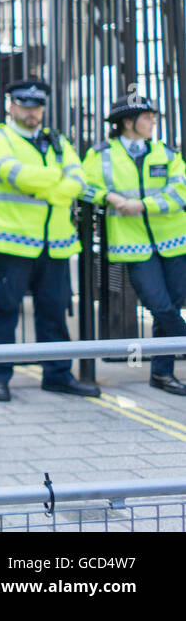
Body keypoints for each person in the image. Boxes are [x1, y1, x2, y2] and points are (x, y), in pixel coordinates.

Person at [0, 77, 100, 402]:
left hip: (54, 243)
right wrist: (54, 179)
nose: (32, 112)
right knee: (4, 312)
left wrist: (49, 184)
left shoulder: (57, 141)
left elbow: (79, 180)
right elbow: (16, 175)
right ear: (11, 105)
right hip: (11, 241)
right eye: (25, 105)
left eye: (38, 106)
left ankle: (58, 375)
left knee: (54, 312)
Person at [81, 92, 186, 396]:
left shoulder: (166, 153)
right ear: (128, 122)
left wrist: (143, 205)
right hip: (133, 245)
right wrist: (110, 197)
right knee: (161, 306)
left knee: (170, 308)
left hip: (174, 241)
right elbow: (83, 185)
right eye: (147, 116)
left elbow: (181, 191)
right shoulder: (100, 155)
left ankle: (162, 374)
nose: (153, 121)